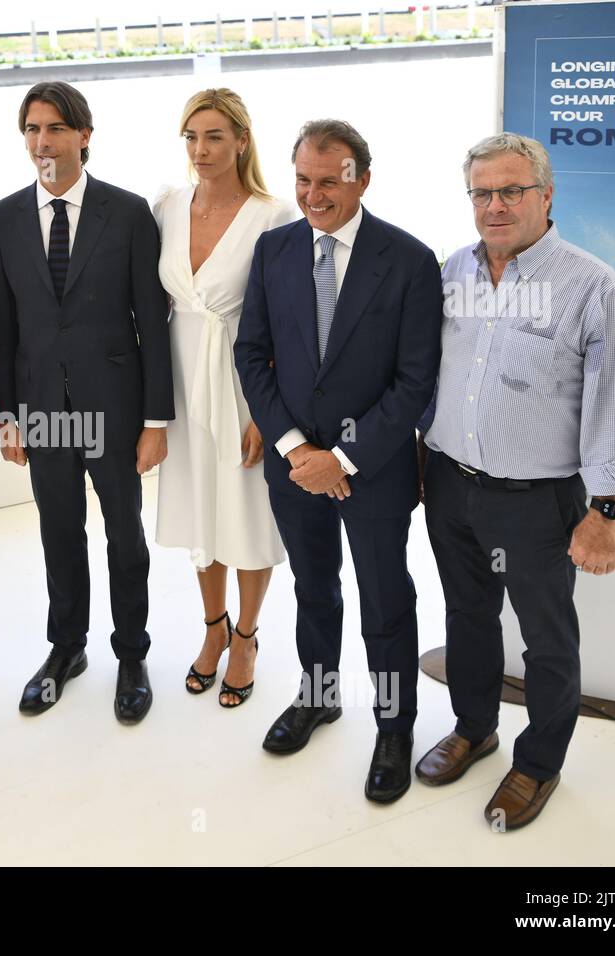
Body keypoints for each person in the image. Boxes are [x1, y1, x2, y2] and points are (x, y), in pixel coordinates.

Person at [417, 132, 615, 830]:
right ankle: (475, 726)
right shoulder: (451, 271)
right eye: (481, 193)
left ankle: (538, 762)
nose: (495, 205)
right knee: (467, 616)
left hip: (536, 502)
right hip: (450, 485)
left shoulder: (590, 285)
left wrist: (605, 509)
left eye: (511, 190)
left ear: (547, 195)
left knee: (547, 641)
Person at [234, 120, 441, 803]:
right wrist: (296, 449)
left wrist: (344, 458)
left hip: (372, 470)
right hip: (294, 469)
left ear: (362, 179)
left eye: (329, 180)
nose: (314, 194)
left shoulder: (409, 260)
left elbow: (415, 382)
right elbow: (251, 355)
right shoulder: (273, 251)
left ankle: (393, 726)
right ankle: (319, 697)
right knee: (314, 590)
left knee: (385, 600)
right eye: (302, 180)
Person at [0, 81, 174, 724]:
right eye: (33, 130)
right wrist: (7, 415)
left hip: (115, 408)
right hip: (42, 410)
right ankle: (67, 650)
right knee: (58, 533)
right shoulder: (3, 216)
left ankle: (132, 654)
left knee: (125, 536)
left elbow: (153, 320)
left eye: (56, 128)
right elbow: (1, 326)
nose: (43, 141)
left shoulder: (126, 213)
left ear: (84, 136)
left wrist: (155, 420)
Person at [153, 88, 294, 708]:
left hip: (244, 381)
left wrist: (271, 412)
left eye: (214, 136)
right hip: (182, 380)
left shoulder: (274, 214)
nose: (201, 150)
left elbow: (292, 323)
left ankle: (246, 635)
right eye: (191, 137)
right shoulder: (165, 206)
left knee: (246, 512)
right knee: (199, 510)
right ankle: (211, 627)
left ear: (242, 139)